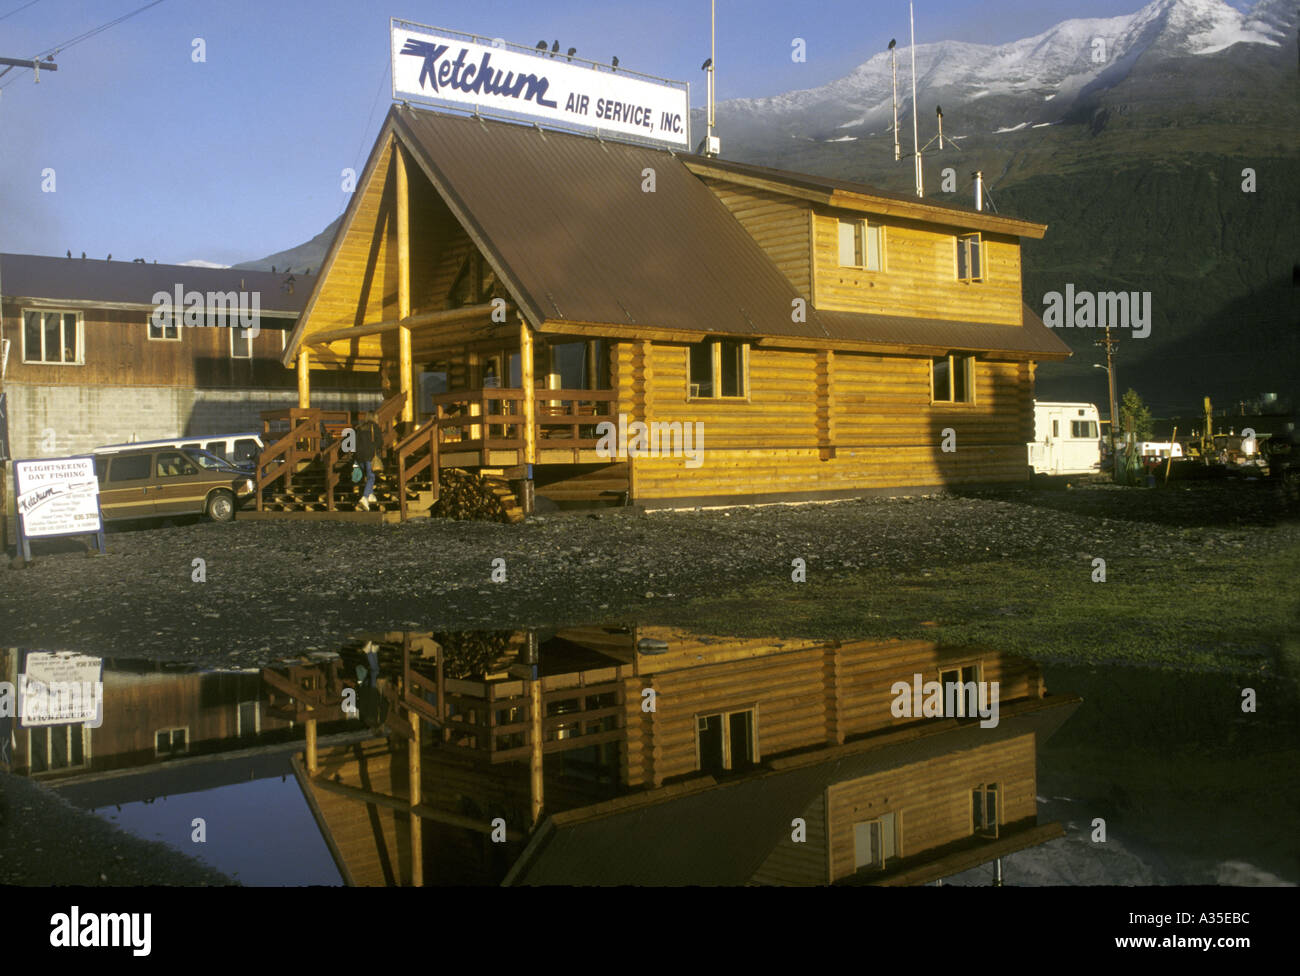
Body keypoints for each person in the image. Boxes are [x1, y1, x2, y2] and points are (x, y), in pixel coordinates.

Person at [353, 416, 382, 511]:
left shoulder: (360, 428)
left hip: (359, 456)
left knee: (367, 476)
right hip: (369, 456)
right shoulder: (374, 427)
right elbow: (380, 442)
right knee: (371, 477)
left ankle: (370, 495)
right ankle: (365, 497)